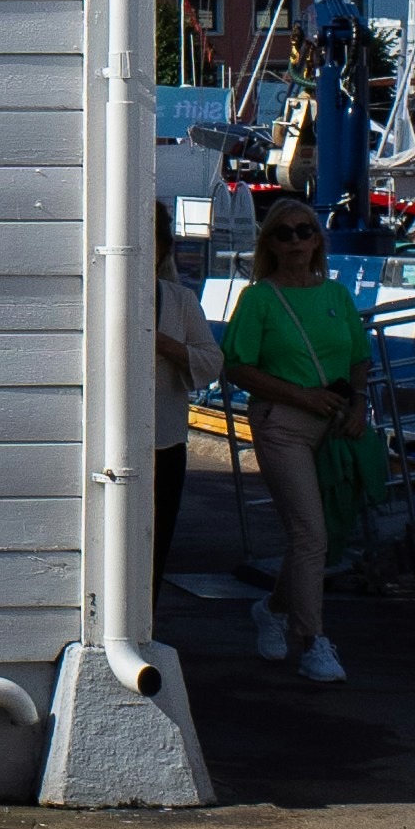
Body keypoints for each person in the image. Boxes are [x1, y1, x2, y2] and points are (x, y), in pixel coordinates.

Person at [222, 193, 367, 683]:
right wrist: (302, 397)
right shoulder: (260, 298)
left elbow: (358, 357)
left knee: (314, 536)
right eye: (285, 233)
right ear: (271, 244)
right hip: (282, 424)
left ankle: (274, 609)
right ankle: (314, 642)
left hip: (334, 423)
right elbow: (237, 365)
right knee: (310, 533)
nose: (297, 240)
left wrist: (359, 403)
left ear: (317, 239)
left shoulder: (337, 296)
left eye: (305, 230)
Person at [154, 204, 223, 612]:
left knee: (157, 541)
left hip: (165, 441)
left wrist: (167, 346)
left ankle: (147, 625)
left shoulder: (179, 300)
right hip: (104, 439)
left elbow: (212, 361)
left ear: (163, 248)